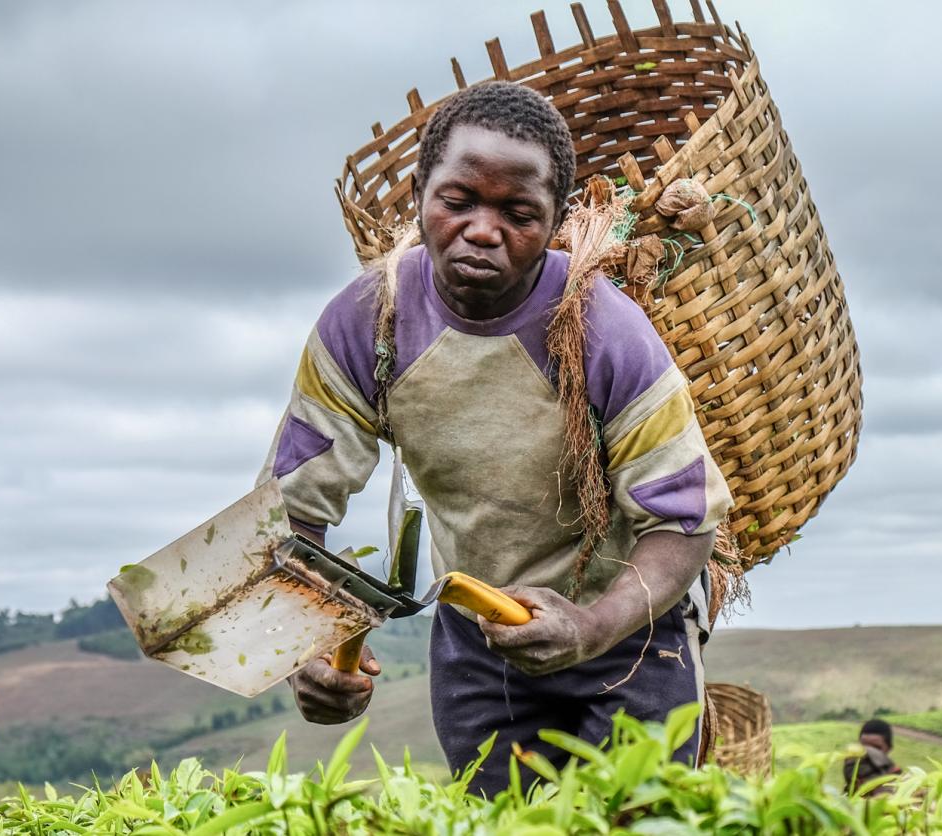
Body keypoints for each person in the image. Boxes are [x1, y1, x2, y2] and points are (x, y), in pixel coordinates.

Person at [261, 80, 733, 794]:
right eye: (458, 201)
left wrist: (591, 627)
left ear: (554, 221)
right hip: (479, 634)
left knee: (638, 817)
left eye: (518, 213)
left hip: (630, 625)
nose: (483, 231)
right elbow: (291, 511)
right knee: (497, 817)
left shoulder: (604, 330)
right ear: (420, 194)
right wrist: (308, 644)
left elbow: (685, 524)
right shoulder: (368, 321)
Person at [843, 718, 901, 793]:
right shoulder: (853, 771)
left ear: (889, 748)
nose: (869, 753)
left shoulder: (900, 783)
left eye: (876, 748)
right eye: (864, 747)